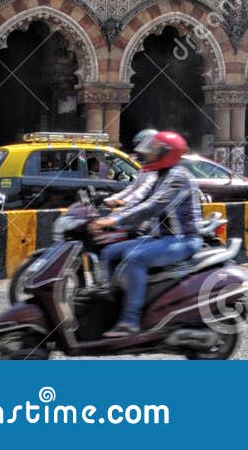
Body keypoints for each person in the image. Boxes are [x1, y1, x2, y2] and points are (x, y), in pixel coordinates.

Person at [90, 130, 204, 339]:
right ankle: (109, 306)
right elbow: (137, 198)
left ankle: (130, 321)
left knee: (135, 258)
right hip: (160, 237)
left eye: (154, 150)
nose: (149, 153)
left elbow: (153, 205)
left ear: (167, 153)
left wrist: (114, 220)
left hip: (183, 239)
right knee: (109, 252)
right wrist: (111, 212)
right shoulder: (160, 174)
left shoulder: (177, 176)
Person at [104, 129, 160, 211]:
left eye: (145, 147)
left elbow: (143, 189)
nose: (141, 151)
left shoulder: (157, 170)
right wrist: (112, 199)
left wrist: (124, 202)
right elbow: (133, 187)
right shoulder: (146, 167)